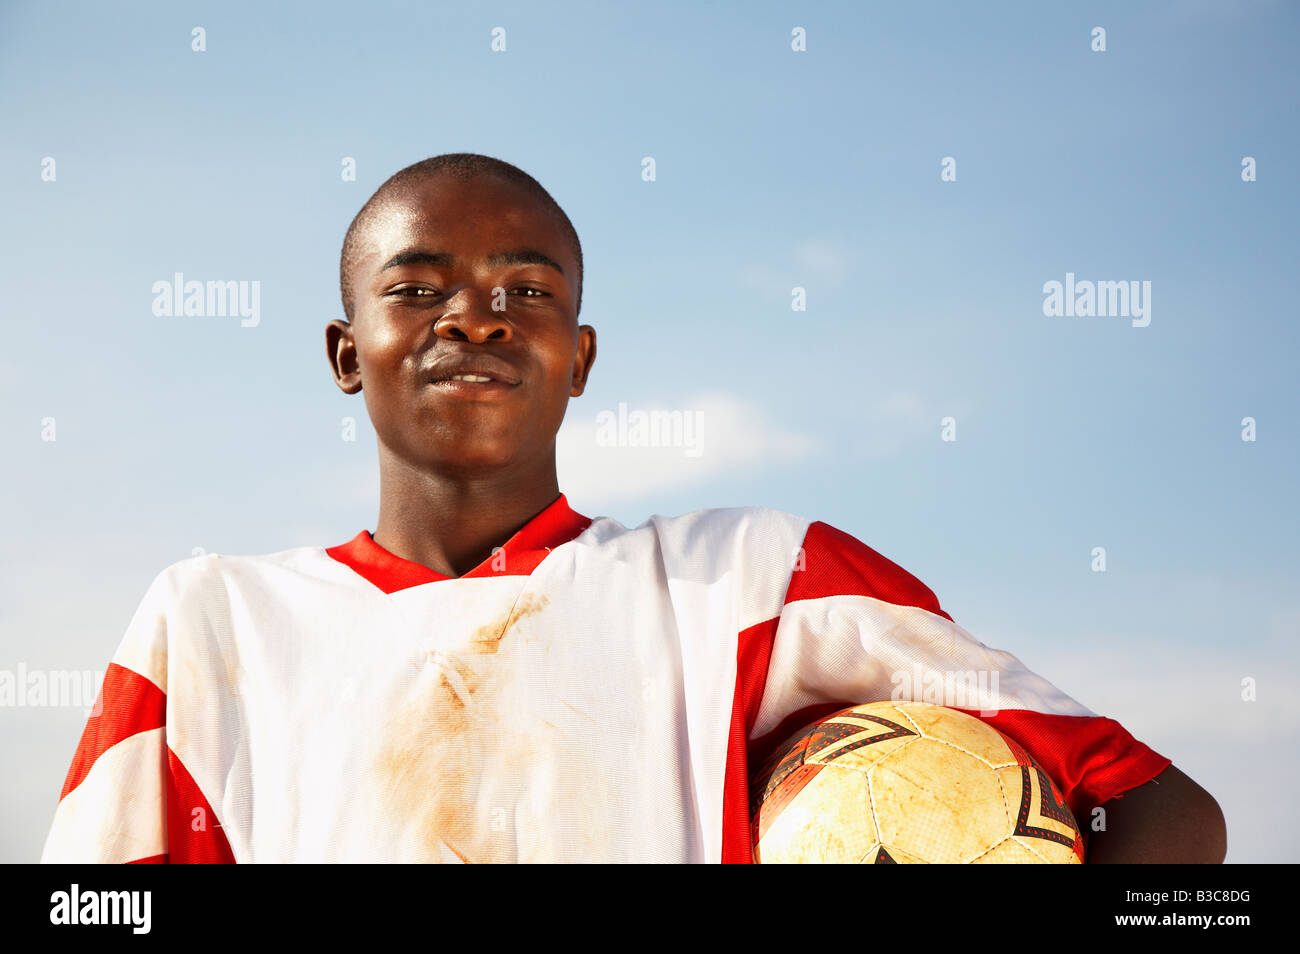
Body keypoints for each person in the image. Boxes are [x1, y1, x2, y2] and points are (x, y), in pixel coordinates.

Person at [41, 153, 1226, 863]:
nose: (476, 316)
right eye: (418, 288)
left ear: (580, 354)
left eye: (526, 290)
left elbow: (1166, 815)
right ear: (349, 352)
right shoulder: (210, 624)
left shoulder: (758, 581)